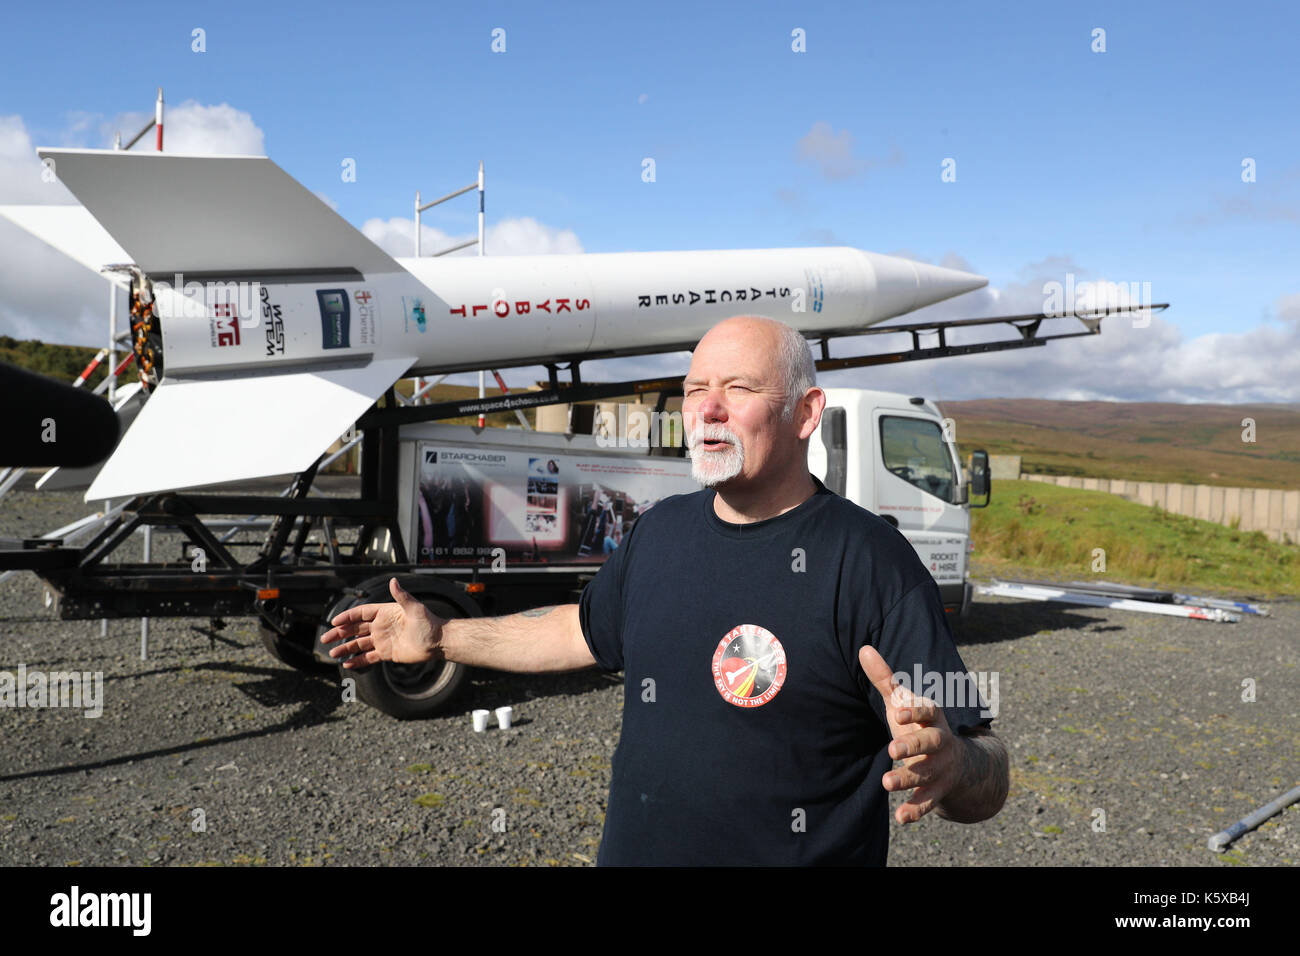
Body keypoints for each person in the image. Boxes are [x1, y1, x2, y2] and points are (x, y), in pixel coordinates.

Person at [320, 315, 1009, 865]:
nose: (706, 410)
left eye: (737, 389)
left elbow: (989, 768)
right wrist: (441, 636)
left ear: (805, 413)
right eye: (694, 388)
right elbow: (577, 632)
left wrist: (951, 763)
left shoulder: (870, 562)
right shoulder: (662, 531)